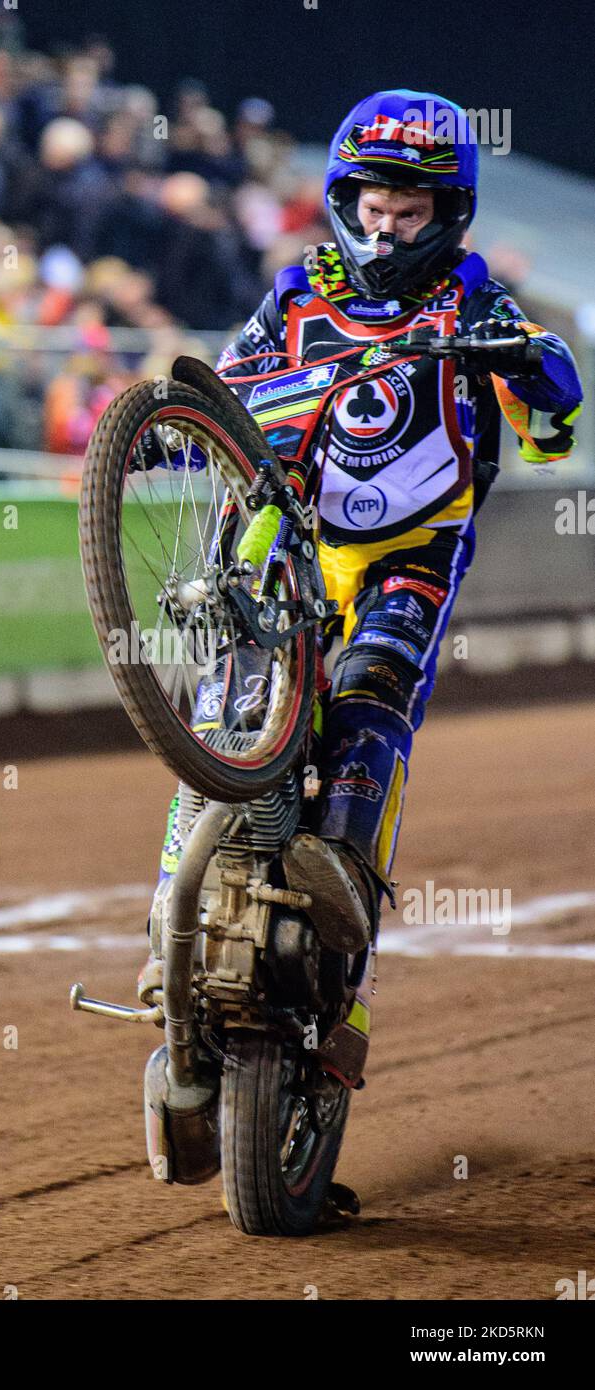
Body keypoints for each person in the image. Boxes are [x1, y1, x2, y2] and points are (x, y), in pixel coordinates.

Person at [138, 89, 582, 1007]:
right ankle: (166, 926)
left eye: (407, 213)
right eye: (371, 210)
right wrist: (157, 432)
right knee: (226, 711)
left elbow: (552, 417)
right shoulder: (295, 293)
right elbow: (223, 389)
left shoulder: (473, 297)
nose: (385, 231)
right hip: (286, 534)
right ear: (343, 202)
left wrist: (518, 359)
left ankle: (341, 864)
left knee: (372, 684)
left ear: (447, 213)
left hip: (412, 546)